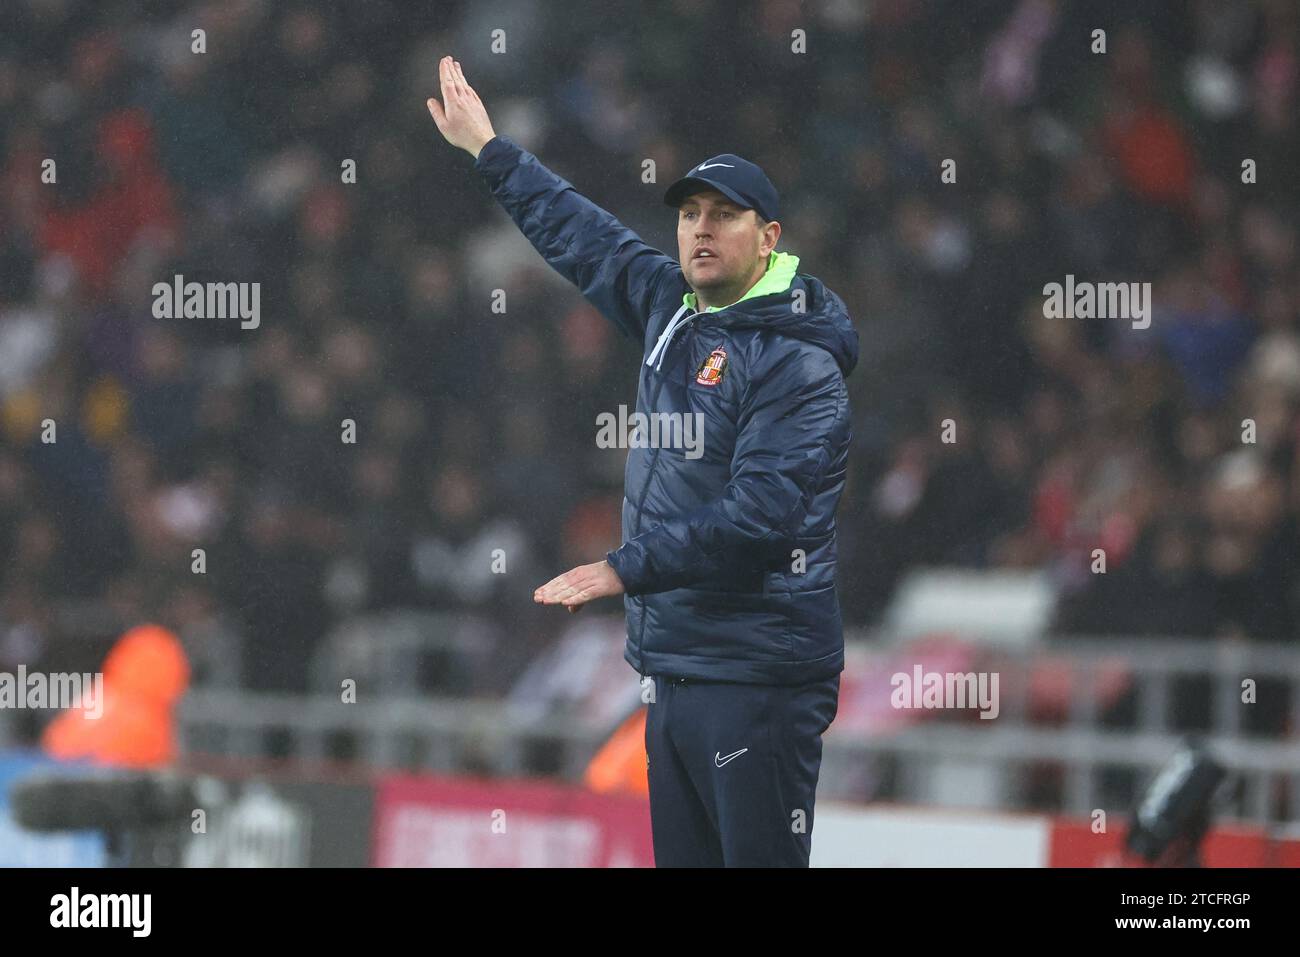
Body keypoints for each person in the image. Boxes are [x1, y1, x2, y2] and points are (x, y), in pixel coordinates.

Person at [428, 56, 858, 867]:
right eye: (690, 212)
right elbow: (583, 236)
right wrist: (490, 149)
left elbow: (760, 516)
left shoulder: (798, 365)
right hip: (675, 665)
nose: (698, 228)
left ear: (768, 238)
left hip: (756, 674)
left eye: (723, 216)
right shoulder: (674, 311)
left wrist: (627, 567)